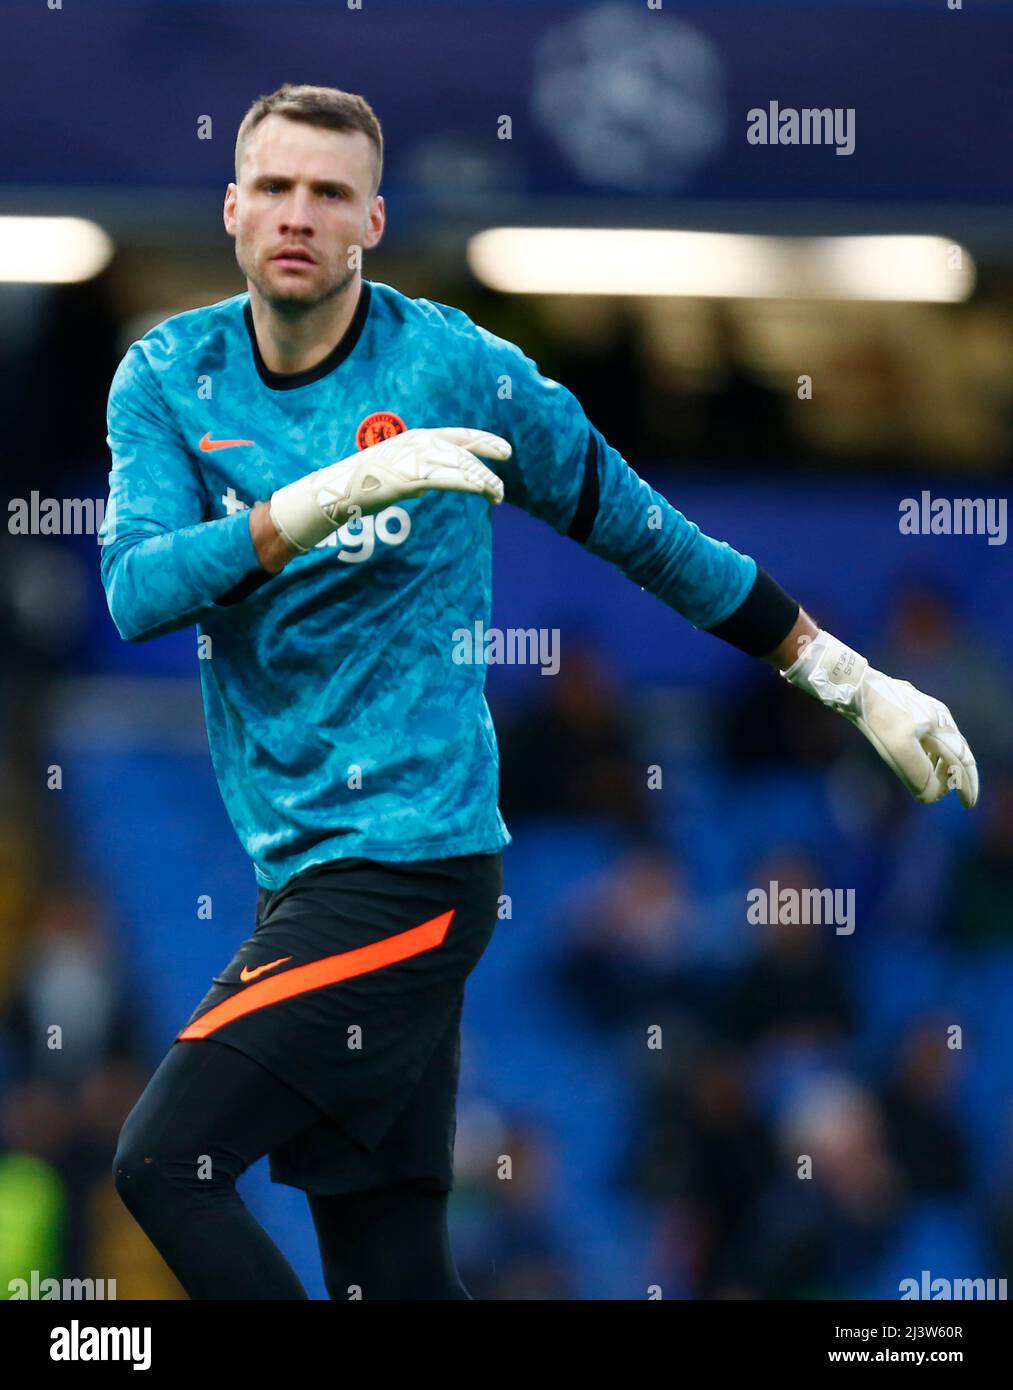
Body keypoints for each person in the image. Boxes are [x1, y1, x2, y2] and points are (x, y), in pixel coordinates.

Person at [99, 84, 978, 1301]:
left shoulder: (458, 368)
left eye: (332, 192)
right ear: (234, 208)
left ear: (372, 219)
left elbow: (643, 530)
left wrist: (843, 677)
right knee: (390, 1273)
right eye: (279, 188)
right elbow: (135, 591)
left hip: (411, 862)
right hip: (295, 872)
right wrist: (316, 503)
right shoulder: (166, 376)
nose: (301, 213)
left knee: (164, 1161)